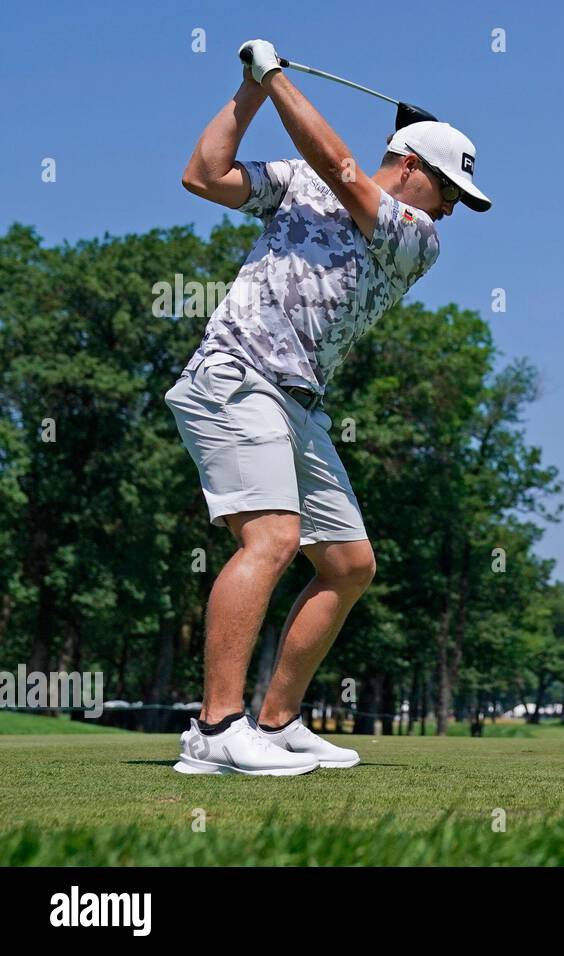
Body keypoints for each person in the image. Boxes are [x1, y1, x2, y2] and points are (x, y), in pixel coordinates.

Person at [165, 39, 491, 775]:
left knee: (347, 564)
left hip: (299, 403)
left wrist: (275, 76)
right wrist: (251, 88)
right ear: (411, 165)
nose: (450, 210)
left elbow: (342, 168)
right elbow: (203, 175)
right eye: (447, 190)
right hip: (236, 374)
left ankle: (277, 723)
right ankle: (216, 729)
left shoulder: (417, 239)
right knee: (274, 539)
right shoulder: (301, 187)